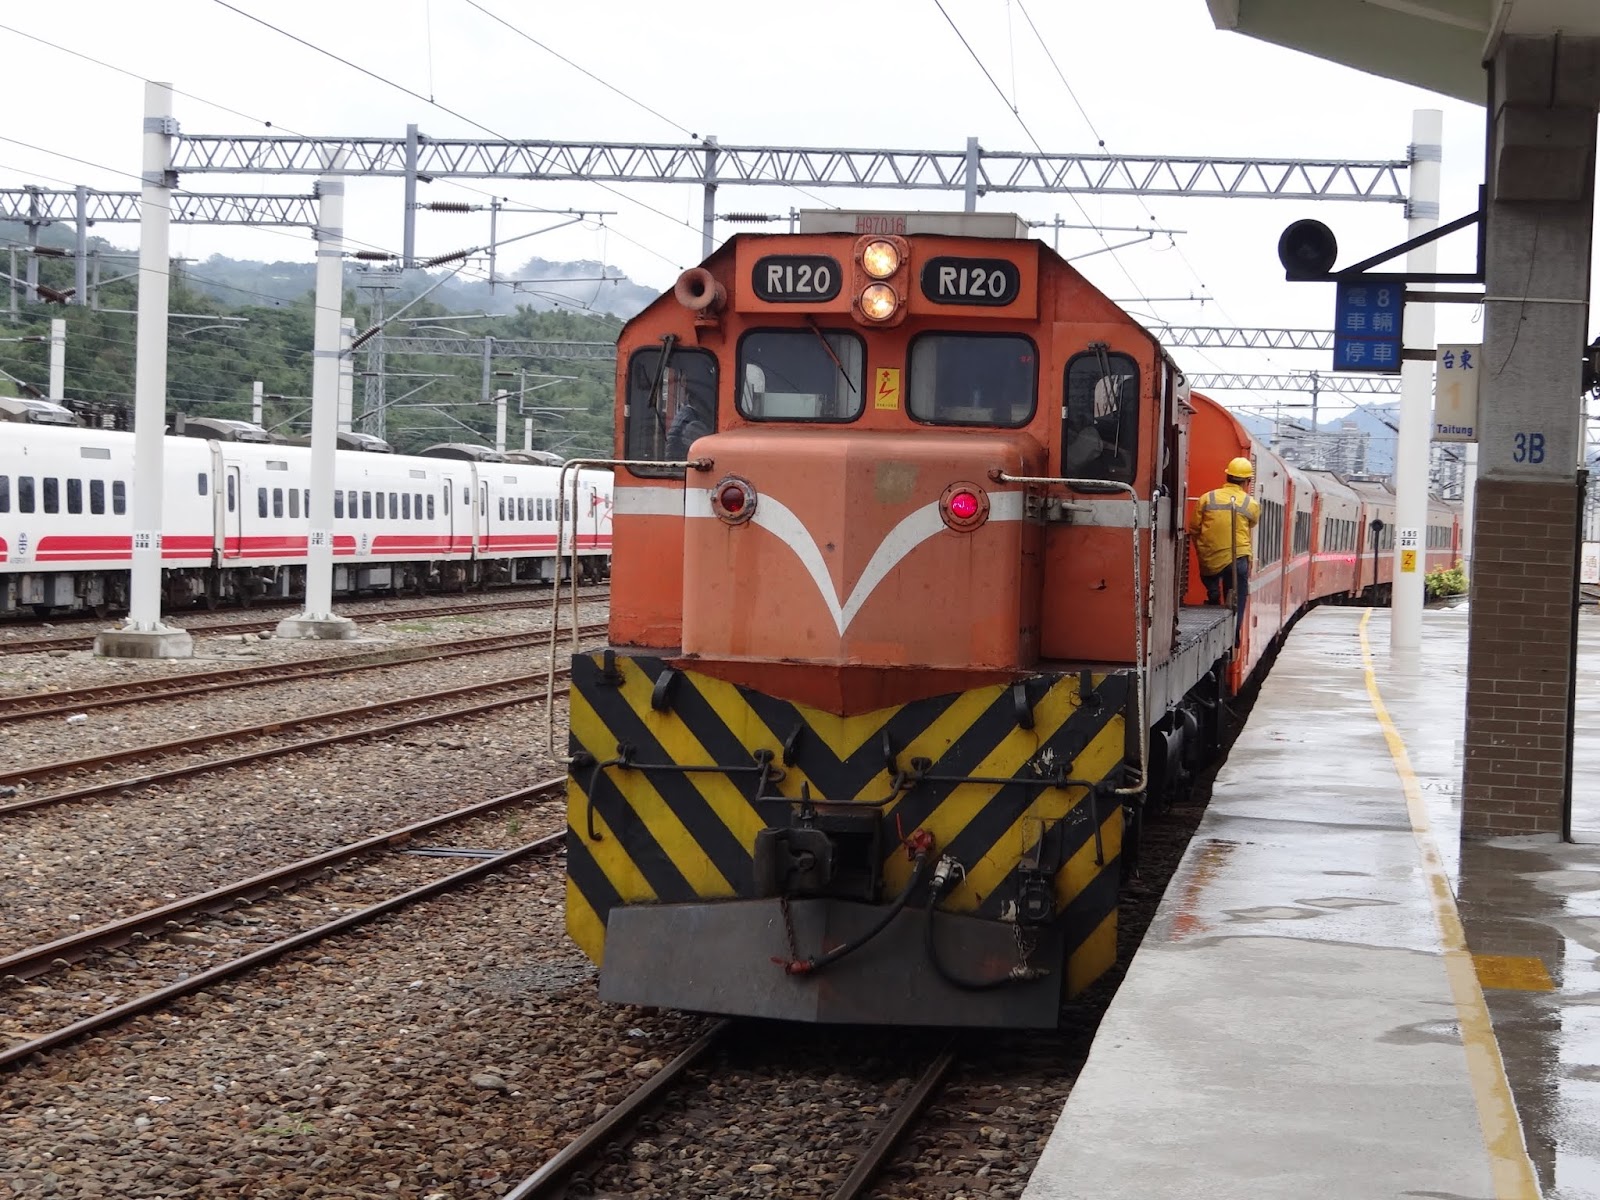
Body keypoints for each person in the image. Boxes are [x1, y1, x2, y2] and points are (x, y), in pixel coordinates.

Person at [1189, 456, 1261, 642]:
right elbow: (1252, 523)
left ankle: (1213, 591)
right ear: (1247, 481)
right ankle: (1234, 632)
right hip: (1238, 557)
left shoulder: (1207, 498)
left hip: (1210, 557)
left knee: (1209, 573)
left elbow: (1194, 528)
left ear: (1227, 477)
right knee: (1239, 594)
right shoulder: (1251, 504)